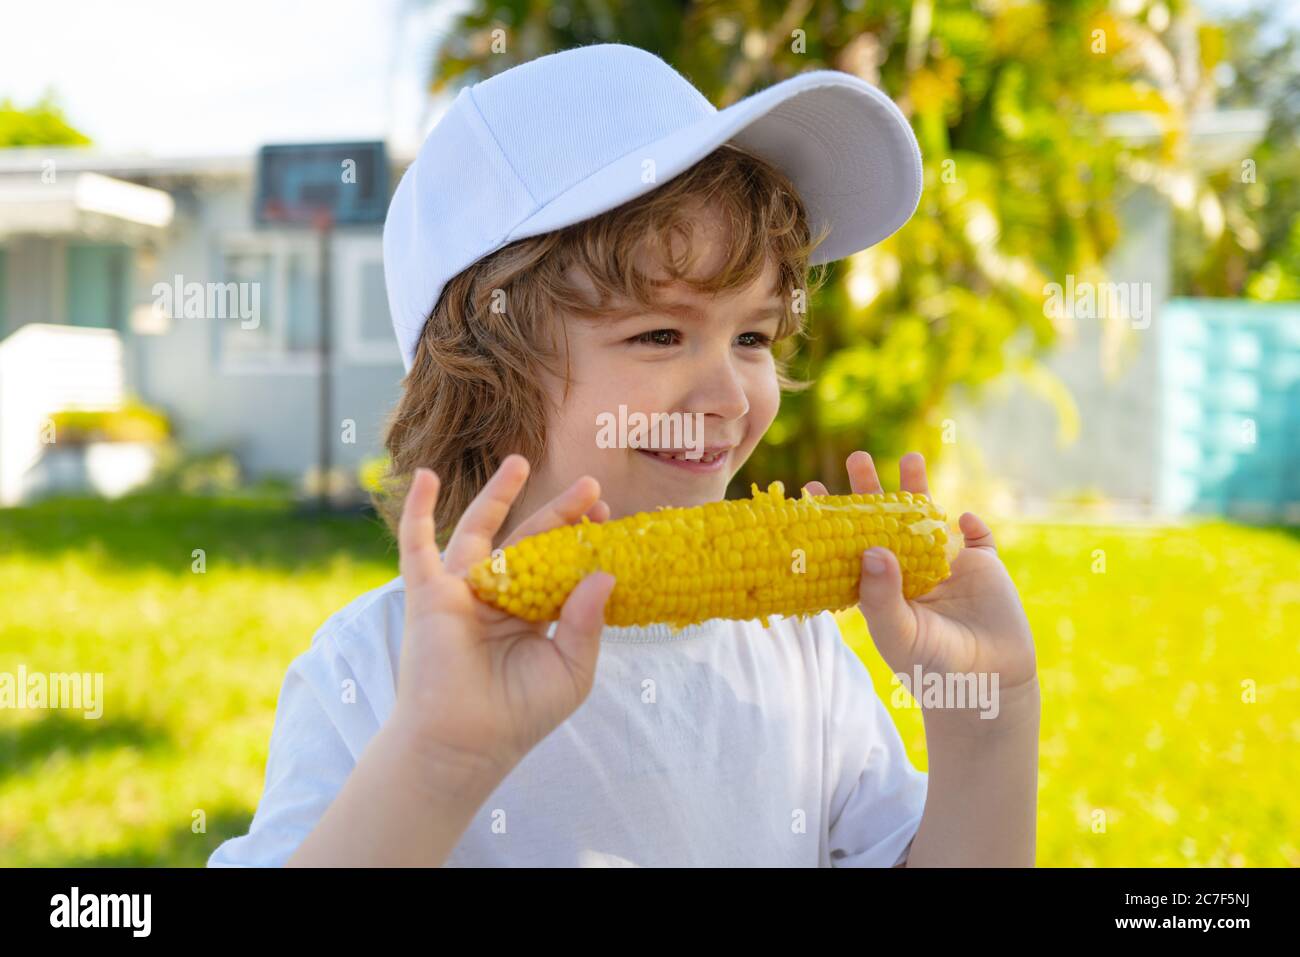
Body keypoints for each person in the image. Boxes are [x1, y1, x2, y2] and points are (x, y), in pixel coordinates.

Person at [208, 43, 1039, 868]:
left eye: (753, 335)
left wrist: (987, 721)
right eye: (660, 333)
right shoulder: (376, 674)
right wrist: (435, 761)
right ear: (484, 381)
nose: (733, 394)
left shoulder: (799, 653)